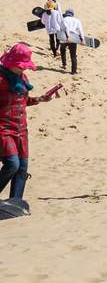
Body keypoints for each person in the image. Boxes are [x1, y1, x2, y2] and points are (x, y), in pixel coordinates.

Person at [1, 44, 59, 200]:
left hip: (21, 129)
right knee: (12, 164)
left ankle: (15, 204)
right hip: (3, 129)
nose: (24, 70)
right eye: (21, 67)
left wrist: (39, 99)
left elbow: (22, 101)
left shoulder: (22, 78)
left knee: (22, 167)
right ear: (11, 63)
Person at [60, 8, 84, 74]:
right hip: (74, 39)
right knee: (73, 55)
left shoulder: (63, 20)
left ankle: (64, 64)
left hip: (64, 38)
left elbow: (64, 28)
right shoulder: (77, 21)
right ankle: (74, 71)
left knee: (62, 50)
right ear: (72, 14)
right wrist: (82, 39)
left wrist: (67, 37)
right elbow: (80, 30)